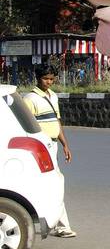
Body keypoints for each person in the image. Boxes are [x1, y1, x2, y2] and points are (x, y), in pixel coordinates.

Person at [22, 67, 76, 238]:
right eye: (46, 79)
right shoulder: (30, 99)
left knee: (54, 183)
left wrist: (65, 145)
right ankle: (61, 226)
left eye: (51, 79)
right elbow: (27, 127)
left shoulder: (53, 96)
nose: (49, 82)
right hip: (40, 148)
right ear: (38, 78)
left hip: (53, 146)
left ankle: (59, 225)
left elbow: (56, 122)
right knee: (54, 184)